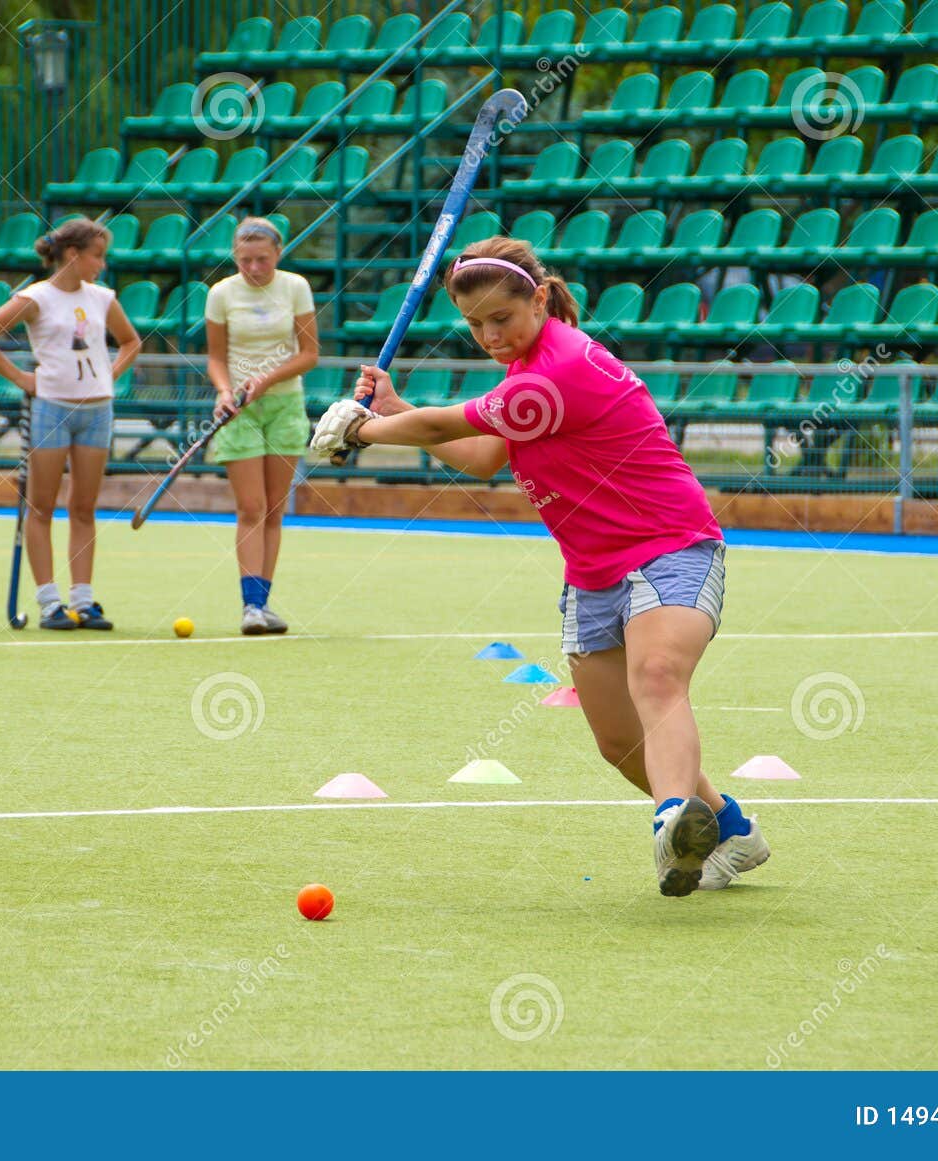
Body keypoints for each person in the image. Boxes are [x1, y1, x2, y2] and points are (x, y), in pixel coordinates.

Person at [311, 237, 770, 897]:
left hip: (669, 545)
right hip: (591, 571)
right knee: (618, 741)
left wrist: (359, 430)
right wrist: (392, 410)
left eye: (502, 318)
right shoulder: (522, 374)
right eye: (475, 326)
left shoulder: (560, 368)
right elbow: (481, 456)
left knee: (658, 675)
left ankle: (672, 821)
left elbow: (448, 428)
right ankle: (728, 828)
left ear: (539, 297)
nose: (491, 335)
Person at [0, 217, 141, 630]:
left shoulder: (102, 298)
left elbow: (131, 341)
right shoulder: (35, 298)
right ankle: (49, 602)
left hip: (97, 411)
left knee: (83, 507)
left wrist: (108, 374)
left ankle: (83, 600)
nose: (102, 265)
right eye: (97, 257)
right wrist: (23, 379)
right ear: (72, 254)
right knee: (41, 507)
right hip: (51, 409)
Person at [204, 217, 319, 635]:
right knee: (250, 507)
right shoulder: (220, 294)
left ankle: (264, 602)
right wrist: (223, 391)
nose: (253, 269)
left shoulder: (295, 287)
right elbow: (216, 357)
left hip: (286, 405)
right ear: (236, 256)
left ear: (279, 253)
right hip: (239, 410)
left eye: (262, 260)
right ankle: (250, 606)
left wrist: (266, 380)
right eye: (245, 260)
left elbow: (309, 354)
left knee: (273, 508)